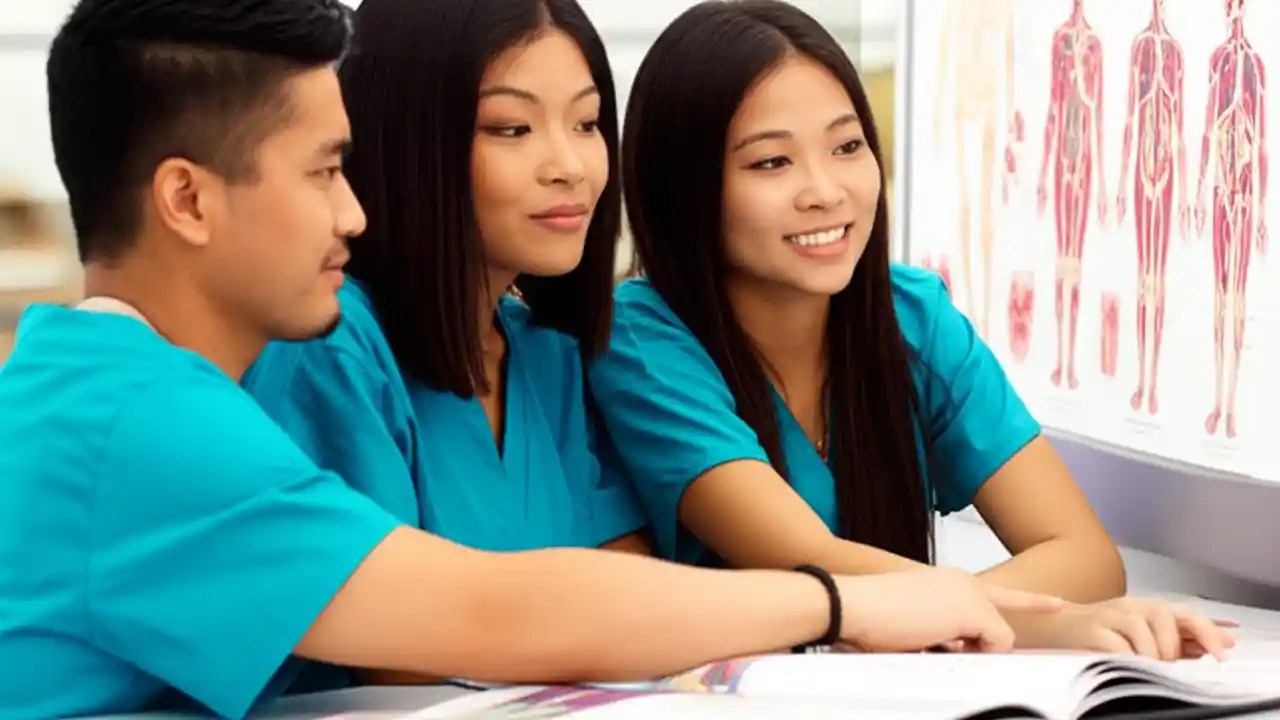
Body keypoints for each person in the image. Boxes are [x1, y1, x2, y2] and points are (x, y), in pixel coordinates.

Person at [0, 1, 1065, 718]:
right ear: (186, 198)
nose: (355, 209)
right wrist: (837, 603)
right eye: (327, 171)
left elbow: (592, 588)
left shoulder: (148, 394)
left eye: (587, 123)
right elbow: (471, 616)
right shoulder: (142, 424)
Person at [588, 0, 1233, 661]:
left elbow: (1087, 558)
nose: (826, 190)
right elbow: (812, 564)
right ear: (681, 187)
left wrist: (966, 623)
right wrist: (1035, 623)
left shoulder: (912, 317)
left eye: (847, 146)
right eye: (771, 163)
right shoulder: (640, 343)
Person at [243, 0, 647, 570]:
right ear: (405, 141)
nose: (570, 166)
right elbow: (395, 643)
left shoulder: (546, 353)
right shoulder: (331, 347)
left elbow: (623, 576)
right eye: (512, 128)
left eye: (586, 124)